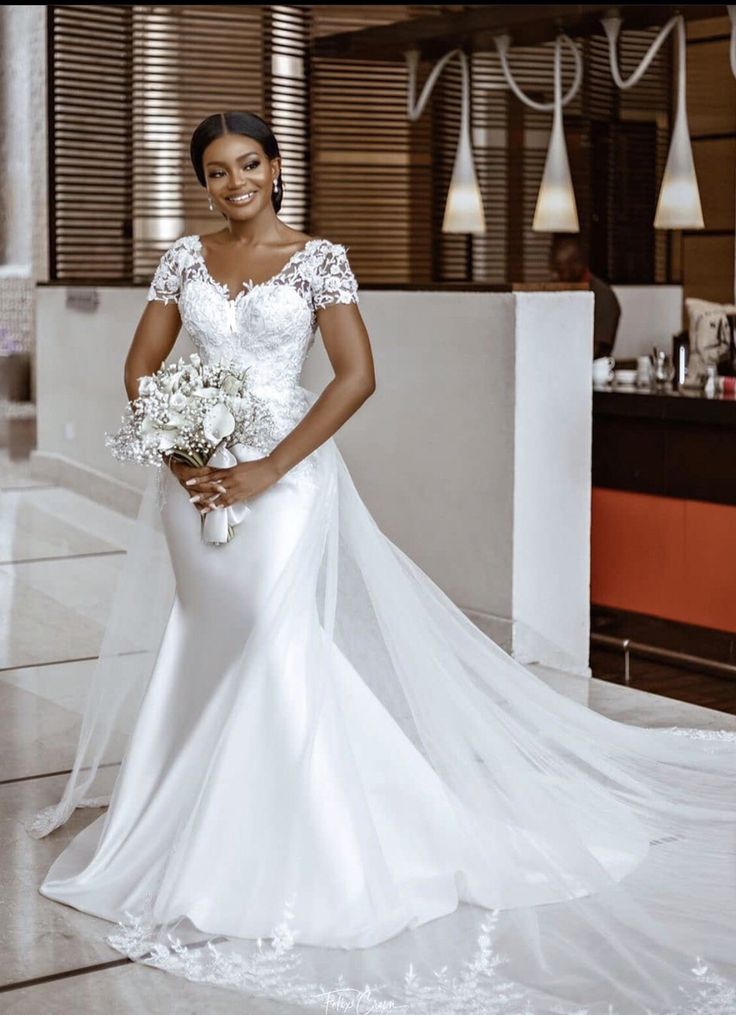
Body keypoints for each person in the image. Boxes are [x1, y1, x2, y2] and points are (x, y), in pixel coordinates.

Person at [28, 112, 736, 1013]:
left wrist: (266, 469)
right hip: (196, 482)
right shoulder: (183, 258)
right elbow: (141, 370)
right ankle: (193, 820)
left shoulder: (320, 259)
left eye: (249, 163)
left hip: (283, 485)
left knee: (273, 647)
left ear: (278, 168)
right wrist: (189, 461)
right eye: (216, 170)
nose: (234, 181)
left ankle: (307, 845)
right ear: (200, 182)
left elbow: (357, 374)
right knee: (208, 641)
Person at [550, 234, 621, 359]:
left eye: (560, 271)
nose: (554, 276)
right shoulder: (563, 292)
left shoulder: (602, 296)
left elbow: (596, 351)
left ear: (577, 266)